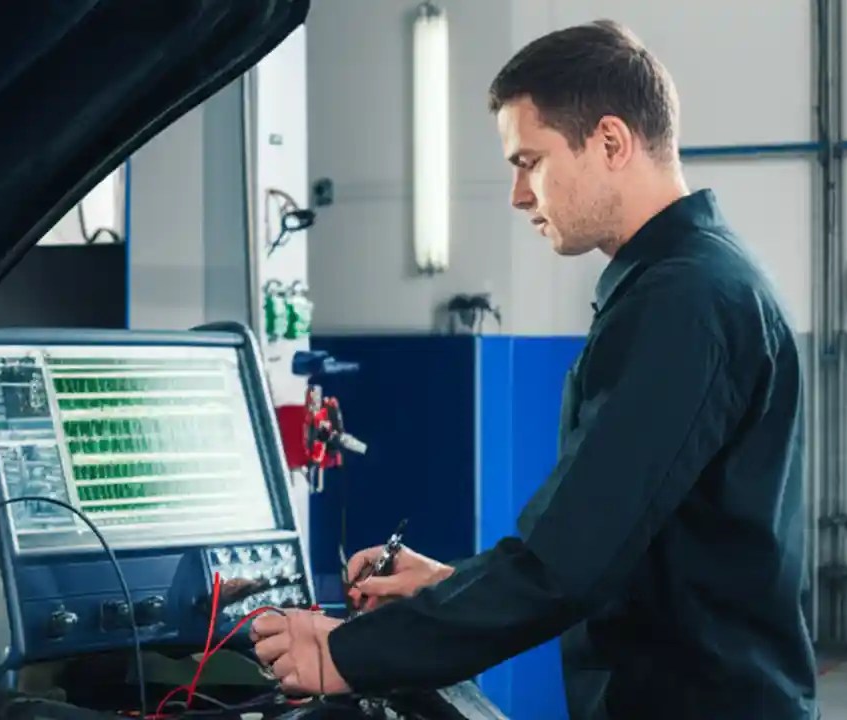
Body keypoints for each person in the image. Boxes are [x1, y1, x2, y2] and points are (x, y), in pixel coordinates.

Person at [249, 19, 818, 720]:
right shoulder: (698, 281)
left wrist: (343, 655)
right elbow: (623, 547)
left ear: (610, 142)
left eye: (530, 161)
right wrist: (448, 586)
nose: (519, 195)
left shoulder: (684, 302)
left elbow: (568, 564)